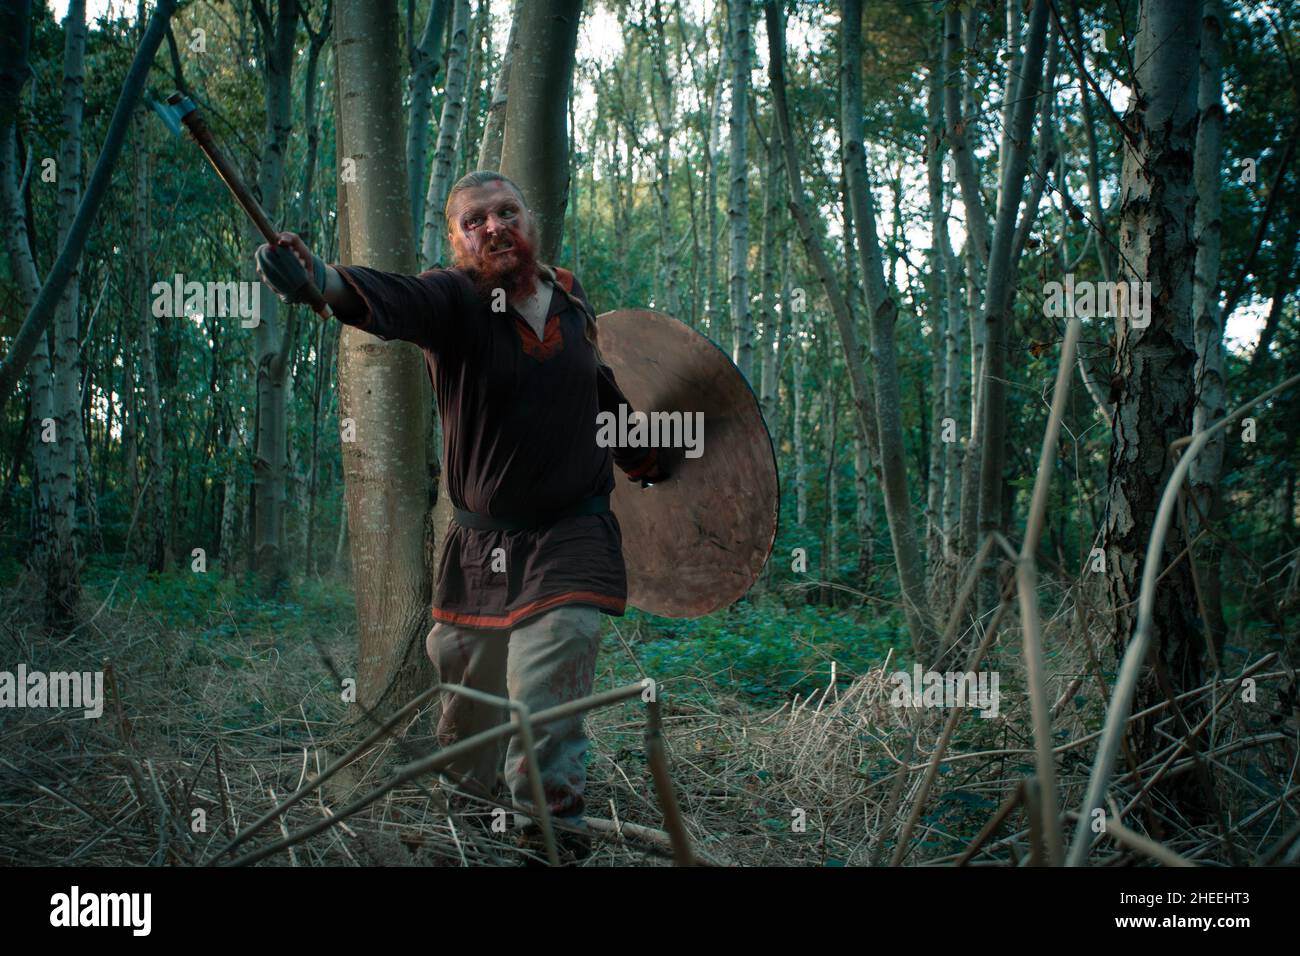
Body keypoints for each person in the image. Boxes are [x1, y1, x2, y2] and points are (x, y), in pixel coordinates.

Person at [254, 170, 668, 863]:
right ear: (457, 241)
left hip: (574, 536)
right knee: (469, 714)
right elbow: (388, 299)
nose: (494, 227)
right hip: (482, 550)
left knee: (548, 688)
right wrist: (316, 279)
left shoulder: (570, 300)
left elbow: (594, 392)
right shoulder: (453, 300)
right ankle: (465, 836)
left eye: (507, 212)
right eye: (474, 221)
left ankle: (550, 840)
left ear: (530, 223)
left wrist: (650, 458)